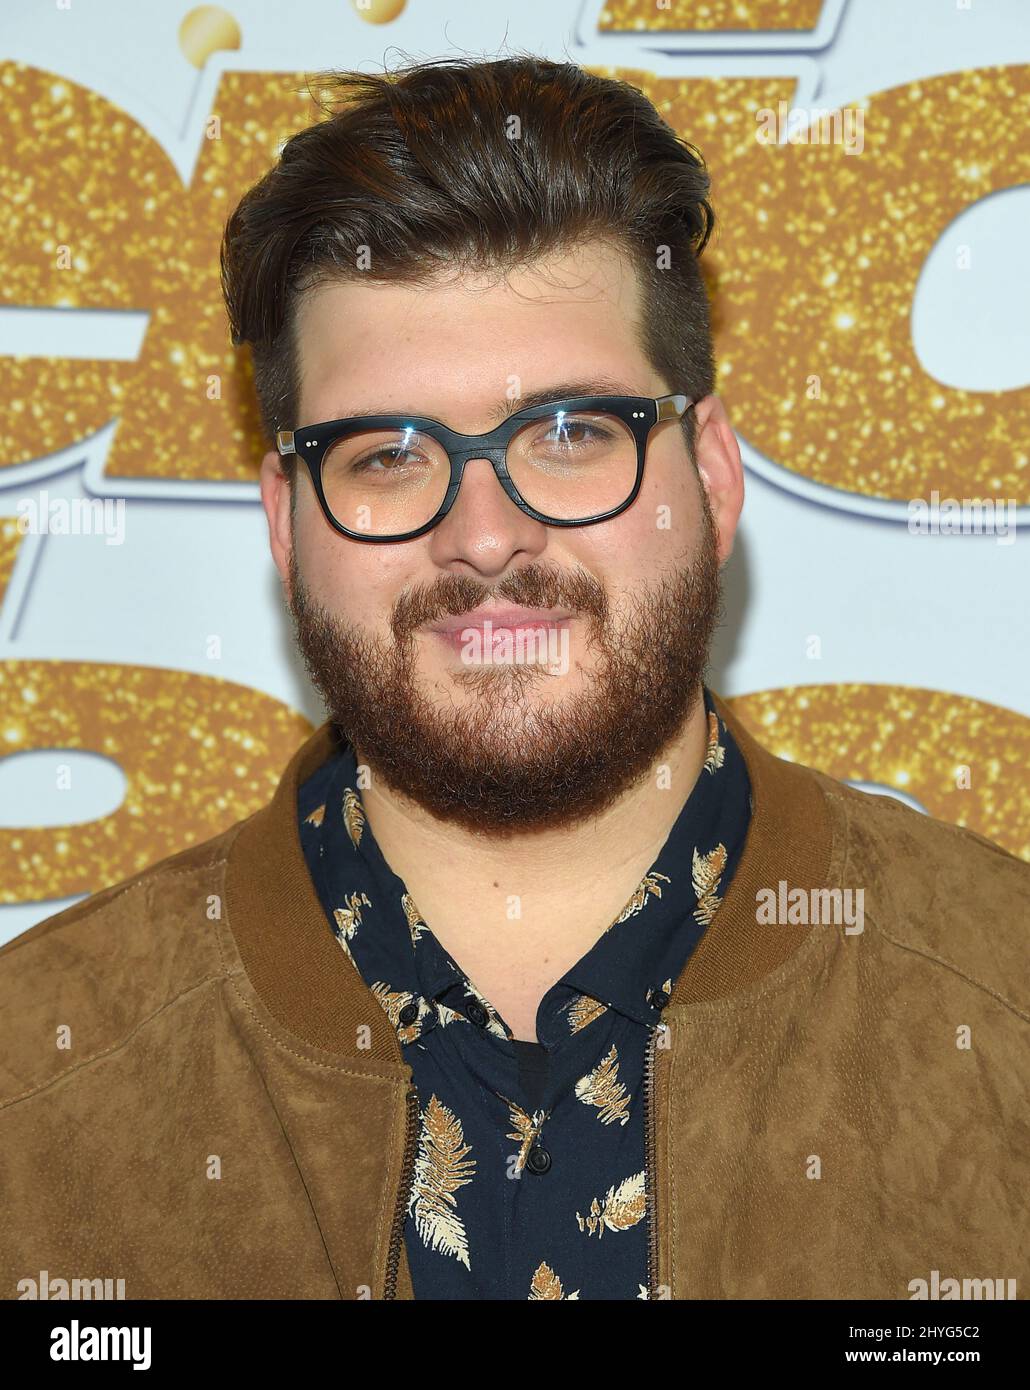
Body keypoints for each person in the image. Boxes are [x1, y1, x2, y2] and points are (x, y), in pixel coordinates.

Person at [1, 55, 1026, 1302]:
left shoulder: (1001, 1001)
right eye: (387, 454)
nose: (484, 536)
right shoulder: (34, 1085)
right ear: (284, 519)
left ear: (710, 476)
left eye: (568, 433)